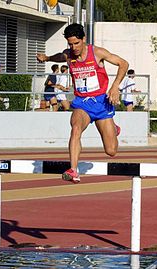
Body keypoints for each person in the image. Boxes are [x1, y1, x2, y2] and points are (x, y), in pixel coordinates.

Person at [37, 23, 129, 183]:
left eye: (77, 43)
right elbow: (60, 56)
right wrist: (47, 58)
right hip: (82, 104)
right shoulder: (69, 55)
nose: (74, 47)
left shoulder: (97, 53)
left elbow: (124, 63)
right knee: (76, 128)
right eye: (70, 44)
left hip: (101, 103)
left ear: (84, 39)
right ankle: (73, 170)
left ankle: (113, 128)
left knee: (111, 151)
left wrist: (115, 86)